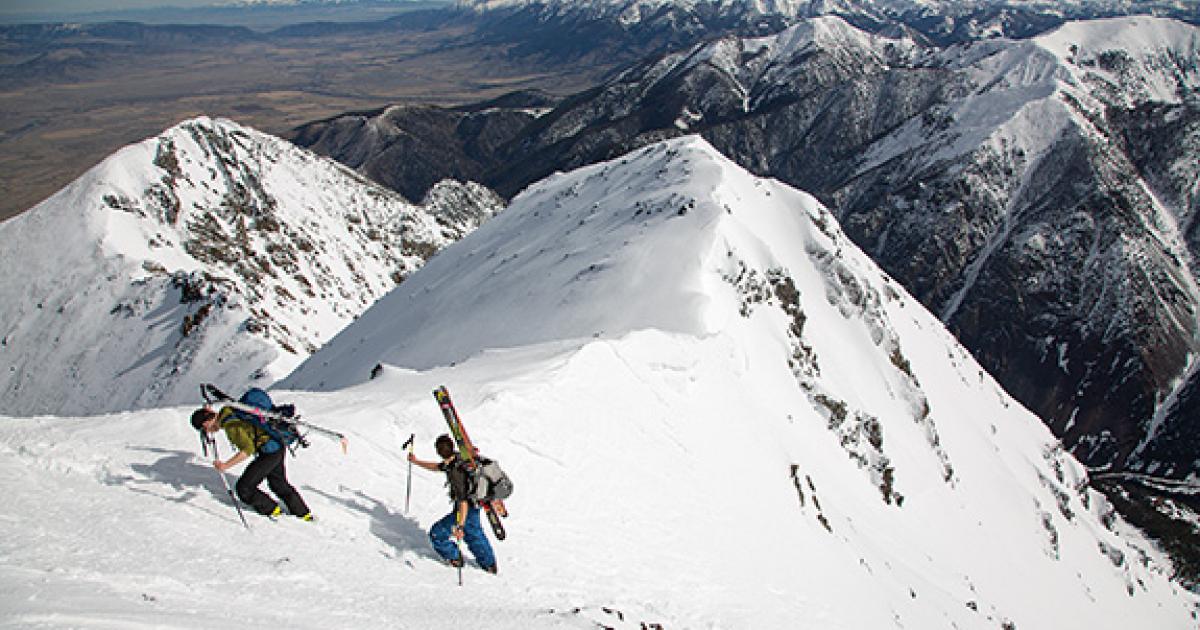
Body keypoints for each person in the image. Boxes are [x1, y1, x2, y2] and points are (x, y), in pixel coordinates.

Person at [190, 402, 313, 521]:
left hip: (269, 451)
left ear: (206, 424)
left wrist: (225, 465)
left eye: (204, 431)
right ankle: (302, 513)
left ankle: (272, 510)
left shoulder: (231, 425)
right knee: (278, 483)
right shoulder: (229, 409)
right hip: (276, 444)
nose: (208, 433)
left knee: (244, 488)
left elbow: (247, 449)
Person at [409, 434, 497, 573]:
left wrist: (459, 525)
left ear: (438, 452)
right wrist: (417, 461)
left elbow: (463, 502)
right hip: (472, 505)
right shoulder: (456, 460)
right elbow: (437, 467)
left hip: (466, 508)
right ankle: (488, 563)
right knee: (474, 533)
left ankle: (455, 557)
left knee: (437, 533)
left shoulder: (456, 473)